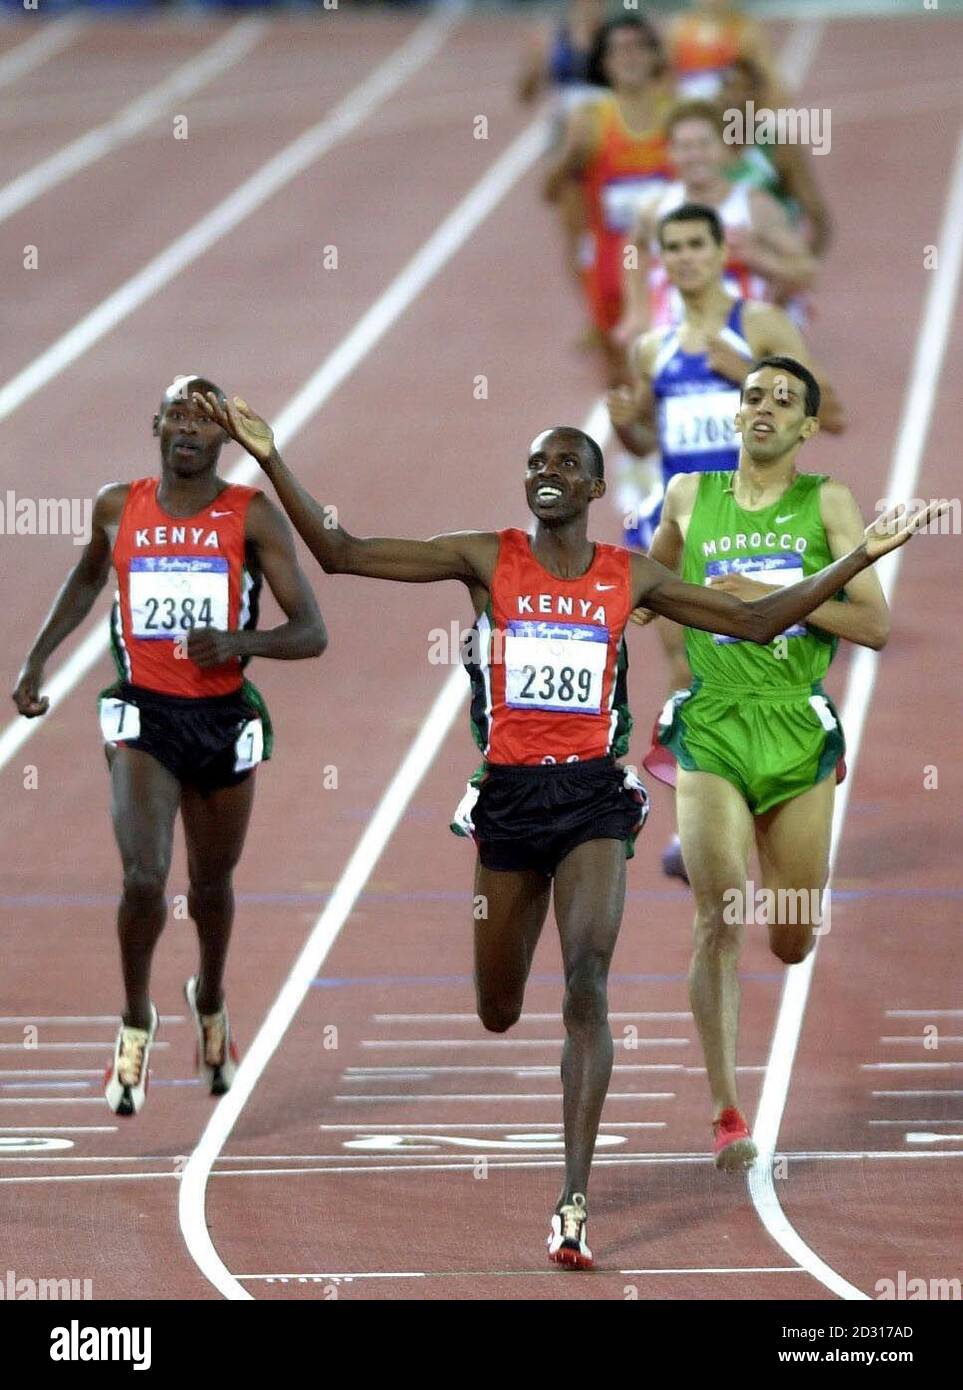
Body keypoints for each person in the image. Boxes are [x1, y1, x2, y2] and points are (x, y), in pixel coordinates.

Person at [192, 388, 934, 1264]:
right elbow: (342, 552)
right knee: (499, 1009)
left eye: (566, 465)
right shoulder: (483, 557)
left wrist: (853, 558)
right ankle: (523, 1032)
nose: (548, 474)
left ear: (592, 490)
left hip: (591, 800)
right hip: (508, 800)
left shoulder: (631, 575)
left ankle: (572, 1202)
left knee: (586, 984)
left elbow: (754, 619)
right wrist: (270, 456)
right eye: (537, 463)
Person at [634, 356, 942, 1169]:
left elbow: (871, 626)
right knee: (717, 910)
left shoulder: (827, 501)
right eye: (752, 397)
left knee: (792, 938)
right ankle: (726, 1111)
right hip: (712, 723)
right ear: (735, 417)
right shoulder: (686, 496)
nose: (763, 408)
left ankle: (790, 914)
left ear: (807, 427)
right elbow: (647, 582)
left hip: (796, 728)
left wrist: (765, 592)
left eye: (782, 401)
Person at [11, 376, 327, 1117]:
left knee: (210, 887)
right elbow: (88, 578)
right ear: (155, 424)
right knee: (146, 878)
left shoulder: (253, 518)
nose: (189, 428)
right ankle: (134, 1019)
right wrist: (36, 658)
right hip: (142, 715)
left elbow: (311, 632)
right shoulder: (118, 505)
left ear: (223, 438)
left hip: (221, 718)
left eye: (204, 419)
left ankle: (209, 999)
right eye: (178, 414)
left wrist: (240, 641)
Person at [608, 203, 844, 880]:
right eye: (671, 247)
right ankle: (701, 823)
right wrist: (627, 427)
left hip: (758, 528)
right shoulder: (650, 347)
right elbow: (651, 442)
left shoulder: (760, 324)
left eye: (695, 245)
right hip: (683, 527)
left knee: (773, 670)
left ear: (719, 253)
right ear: (661, 260)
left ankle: (787, 794)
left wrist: (744, 366)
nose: (683, 257)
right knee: (689, 676)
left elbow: (826, 407)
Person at [544, 14, 675, 384]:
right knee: (618, 372)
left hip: (670, 260)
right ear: (604, 63)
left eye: (638, 48)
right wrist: (570, 159)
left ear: (655, 57)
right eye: (619, 50)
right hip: (611, 262)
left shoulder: (678, 115)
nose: (629, 57)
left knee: (671, 365)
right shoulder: (590, 119)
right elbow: (551, 191)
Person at [622, 100, 817, 339]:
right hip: (677, 344)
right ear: (670, 153)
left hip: (746, 342)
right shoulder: (655, 210)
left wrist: (759, 258)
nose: (695, 155)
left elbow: (806, 271)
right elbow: (633, 252)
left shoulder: (754, 207)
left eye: (704, 144)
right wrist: (637, 310)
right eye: (684, 147)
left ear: (726, 148)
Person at [720, 55, 833, 257]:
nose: (737, 98)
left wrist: (799, 272)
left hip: (770, 268)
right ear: (720, 94)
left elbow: (818, 216)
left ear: (760, 95)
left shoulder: (780, 147)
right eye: (731, 88)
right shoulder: (707, 148)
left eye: (747, 90)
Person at [668, 0, 778, 101]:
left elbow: (767, 80)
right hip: (688, 106)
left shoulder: (746, 31)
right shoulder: (678, 29)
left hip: (730, 106)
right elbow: (666, 79)